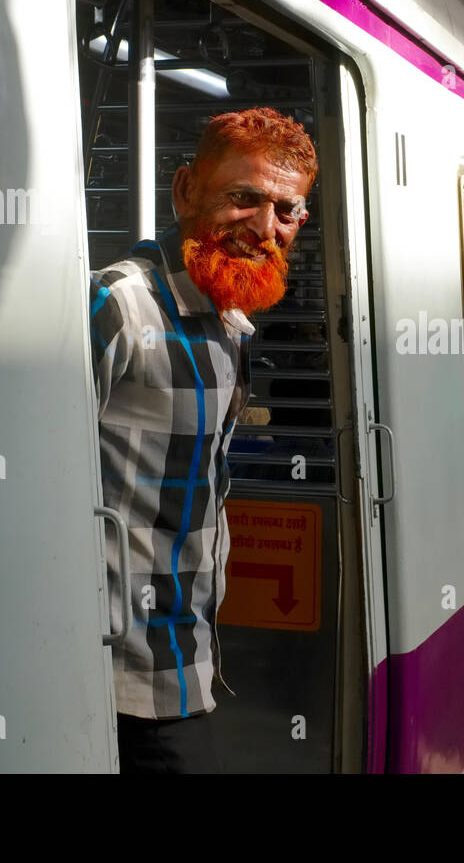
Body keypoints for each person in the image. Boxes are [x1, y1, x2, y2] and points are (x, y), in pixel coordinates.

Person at [89, 107, 316, 773]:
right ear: (186, 191)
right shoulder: (120, 308)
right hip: (120, 679)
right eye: (243, 199)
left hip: (183, 657)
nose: (264, 228)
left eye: (286, 211)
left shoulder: (227, 320)